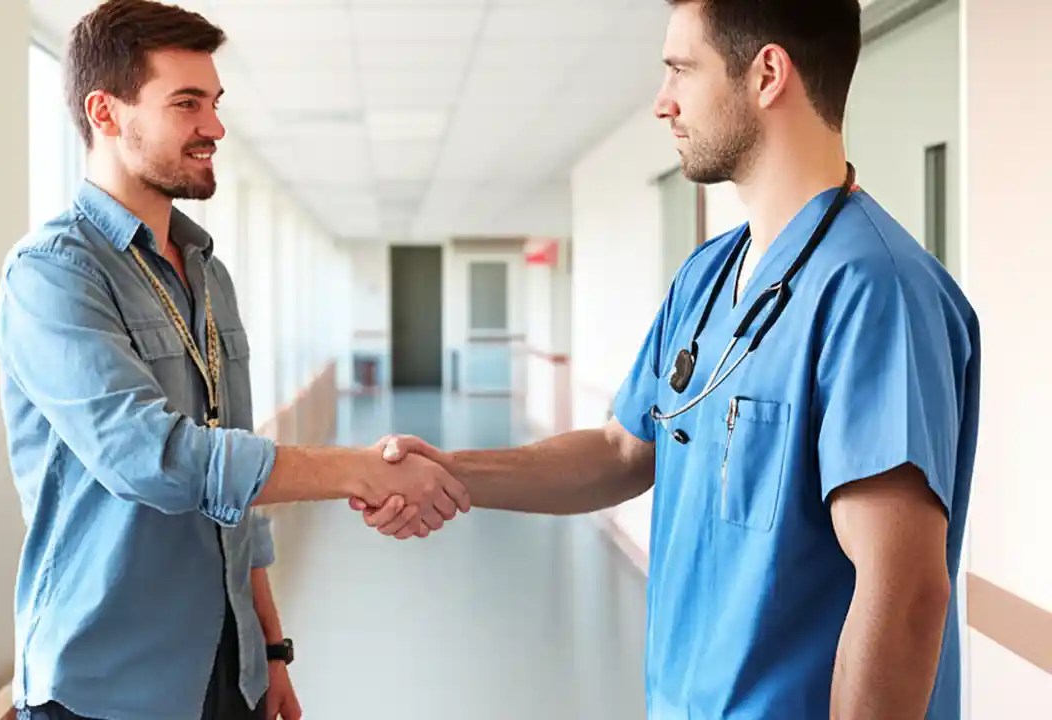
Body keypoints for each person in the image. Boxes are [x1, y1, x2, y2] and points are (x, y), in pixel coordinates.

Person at [356, 0, 980, 718]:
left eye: (681, 70)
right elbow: (623, 450)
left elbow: (904, 591)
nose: (662, 102)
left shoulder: (875, 290)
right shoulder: (706, 278)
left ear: (767, 74)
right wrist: (452, 472)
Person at [0, 1, 469, 719]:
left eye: (215, 103)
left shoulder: (207, 272)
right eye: (187, 103)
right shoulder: (53, 273)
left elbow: (234, 486)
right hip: (107, 685)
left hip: (228, 667)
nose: (214, 126)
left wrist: (270, 648)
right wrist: (357, 469)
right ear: (106, 112)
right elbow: (151, 457)